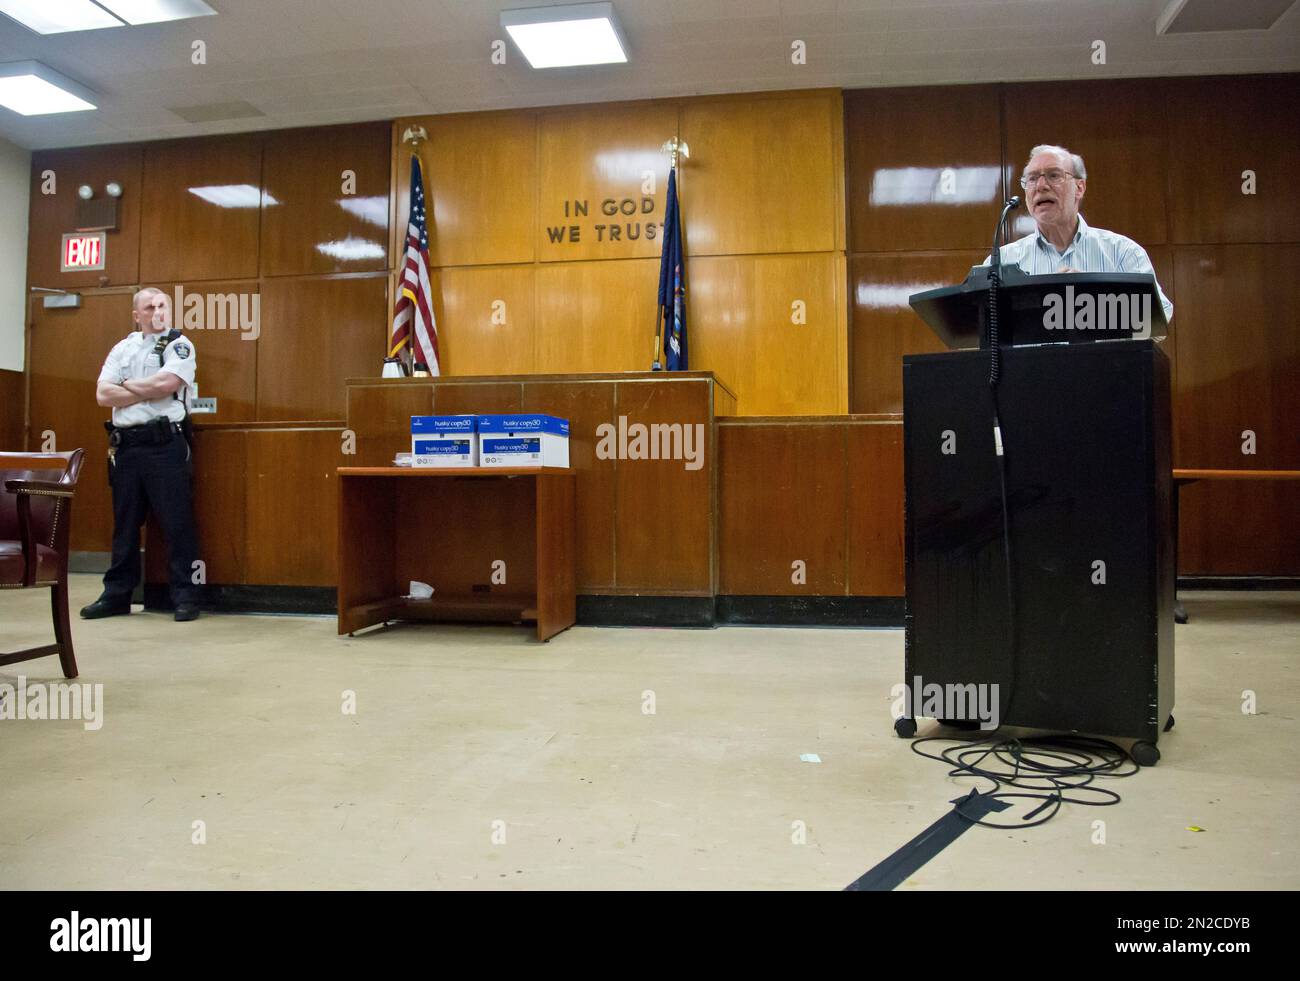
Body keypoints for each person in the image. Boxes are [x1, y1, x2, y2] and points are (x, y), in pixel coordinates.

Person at [80, 287, 201, 622]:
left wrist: (128, 385)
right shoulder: (123, 347)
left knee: (177, 523)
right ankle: (117, 595)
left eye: (163, 305)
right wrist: (143, 386)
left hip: (165, 445)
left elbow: (165, 385)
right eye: (149, 306)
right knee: (125, 524)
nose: (156, 310)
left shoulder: (179, 344)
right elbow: (103, 394)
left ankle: (186, 596)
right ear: (137, 314)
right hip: (127, 447)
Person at [990, 144, 1173, 323]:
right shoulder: (1002, 260)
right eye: (1032, 178)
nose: (1041, 186)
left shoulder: (1123, 252)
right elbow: (976, 329)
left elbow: (1159, 318)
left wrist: (1093, 304)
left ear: (1079, 188)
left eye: (1054, 176)